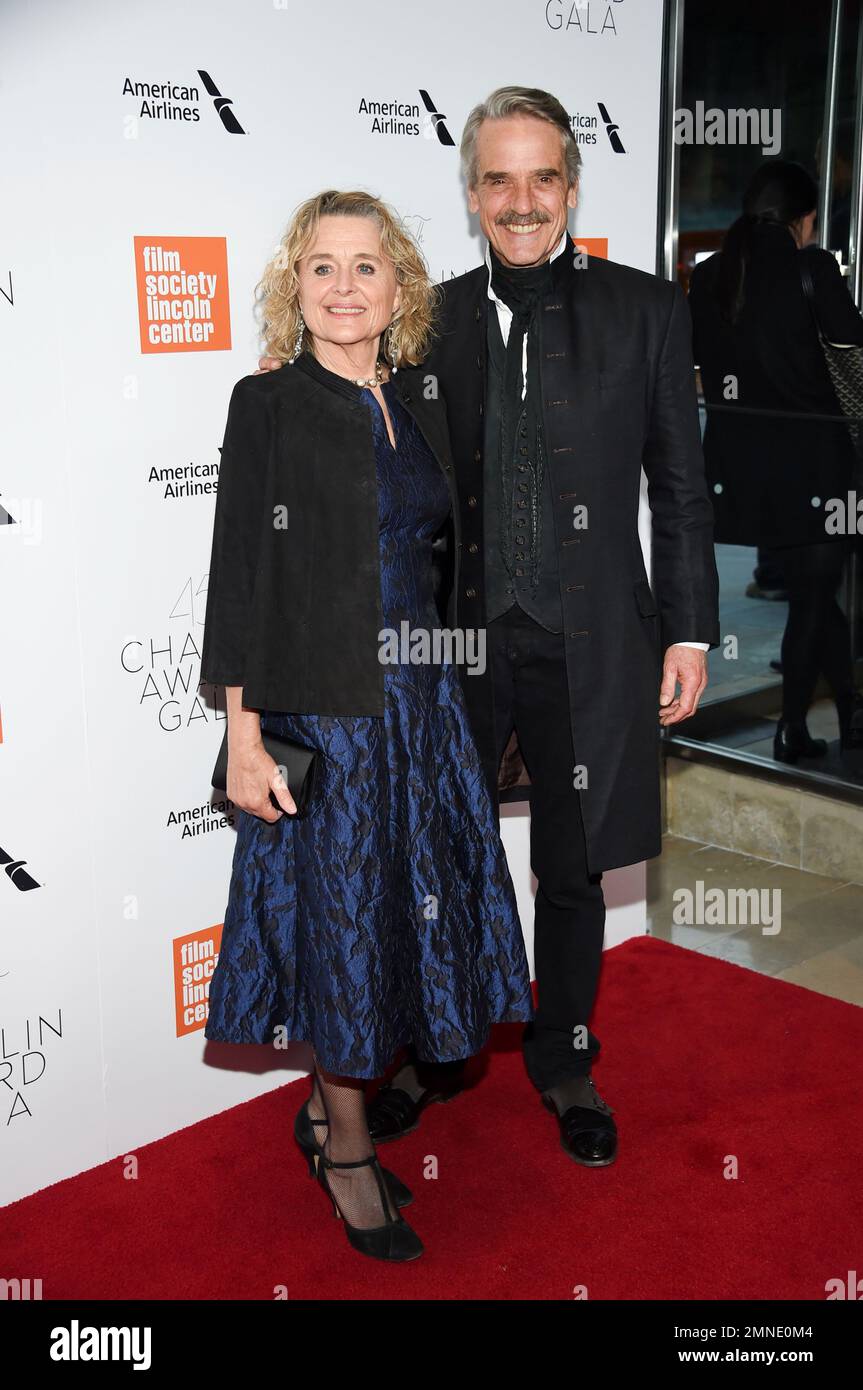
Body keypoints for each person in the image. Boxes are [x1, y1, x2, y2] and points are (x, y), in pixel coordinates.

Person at [259, 88, 720, 1168]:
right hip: (452, 649)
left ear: (570, 186)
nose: (521, 200)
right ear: (471, 194)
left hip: (594, 642)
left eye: (541, 177)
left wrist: (690, 631)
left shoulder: (644, 311)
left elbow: (684, 489)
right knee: (447, 862)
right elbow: (368, 461)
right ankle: (433, 1053)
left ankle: (563, 1059)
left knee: (571, 866)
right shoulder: (428, 322)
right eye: (498, 179)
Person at [200, 189, 533, 1264]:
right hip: (328, 715)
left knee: (398, 918)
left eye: (366, 266)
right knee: (342, 932)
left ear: (400, 289)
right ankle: (345, 1149)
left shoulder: (423, 398)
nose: (345, 287)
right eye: (322, 267)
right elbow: (238, 581)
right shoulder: (269, 406)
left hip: (423, 707)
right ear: (294, 289)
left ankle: (332, 1109)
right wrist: (244, 737)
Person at [689, 160, 863, 762]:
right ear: (804, 218)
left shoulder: (710, 275)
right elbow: (855, 361)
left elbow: (696, 364)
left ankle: (849, 710)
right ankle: (793, 727)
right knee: (815, 600)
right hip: (817, 466)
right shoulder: (812, 268)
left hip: (741, 471)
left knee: (814, 597)